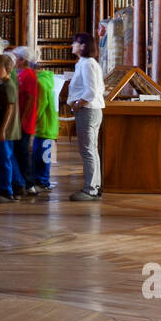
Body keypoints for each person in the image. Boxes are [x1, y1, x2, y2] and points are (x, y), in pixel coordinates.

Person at [68, 32, 105, 202]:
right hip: (90, 110)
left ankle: (90, 189)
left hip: (87, 110)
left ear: (83, 46)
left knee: (88, 150)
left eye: (74, 43)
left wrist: (78, 104)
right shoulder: (86, 63)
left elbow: (91, 90)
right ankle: (94, 186)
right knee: (91, 150)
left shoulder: (87, 64)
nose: (71, 46)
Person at [0, 53, 20, 202]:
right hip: (0, 128)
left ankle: (6, 190)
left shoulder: (8, 85)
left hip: (6, 131)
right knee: (0, 158)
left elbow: (9, 109)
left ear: (7, 69)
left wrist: (2, 130)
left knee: (5, 159)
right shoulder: (1, 84)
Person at [12, 46, 39, 197]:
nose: (13, 60)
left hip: (24, 122)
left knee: (22, 153)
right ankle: (22, 182)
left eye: (15, 57)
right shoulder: (19, 74)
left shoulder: (28, 75)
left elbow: (30, 99)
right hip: (19, 120)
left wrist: (22, 119)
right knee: (18, 152)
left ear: (22, 60)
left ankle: (29, 184)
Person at [32, 61, 59, 190]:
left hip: (43, 125)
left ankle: (43, 181)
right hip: (50, 124)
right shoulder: (48, 79)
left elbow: (39, 105)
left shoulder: (40, 83)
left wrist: (31, 121)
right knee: (44, 156)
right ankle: (43, 180)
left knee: (42, 156)